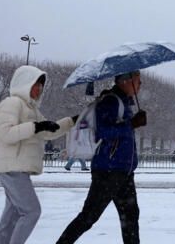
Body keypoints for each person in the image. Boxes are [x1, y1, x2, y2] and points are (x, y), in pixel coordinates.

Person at [56, 71, 147, 244]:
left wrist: (132, 122)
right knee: (89, 217)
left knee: (130, 217)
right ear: (125, 82)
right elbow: (103, 131)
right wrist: (132, 124)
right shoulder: (110, 101)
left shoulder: (124, 103)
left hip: (123, 171)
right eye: (137, 80)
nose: (140, 84)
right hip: (108, 170)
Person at [0, 65, 74, 244]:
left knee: (11, 216)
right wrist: (37, 126)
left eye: (41, 85)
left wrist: (73, 121)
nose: (39, 89)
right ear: (24, 84)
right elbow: (7, 134)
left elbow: (49, 132)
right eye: (36, 84)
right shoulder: (12, 103)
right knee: (31, 211)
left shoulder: (32, 110)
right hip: (12, 167)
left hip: (15, 167)